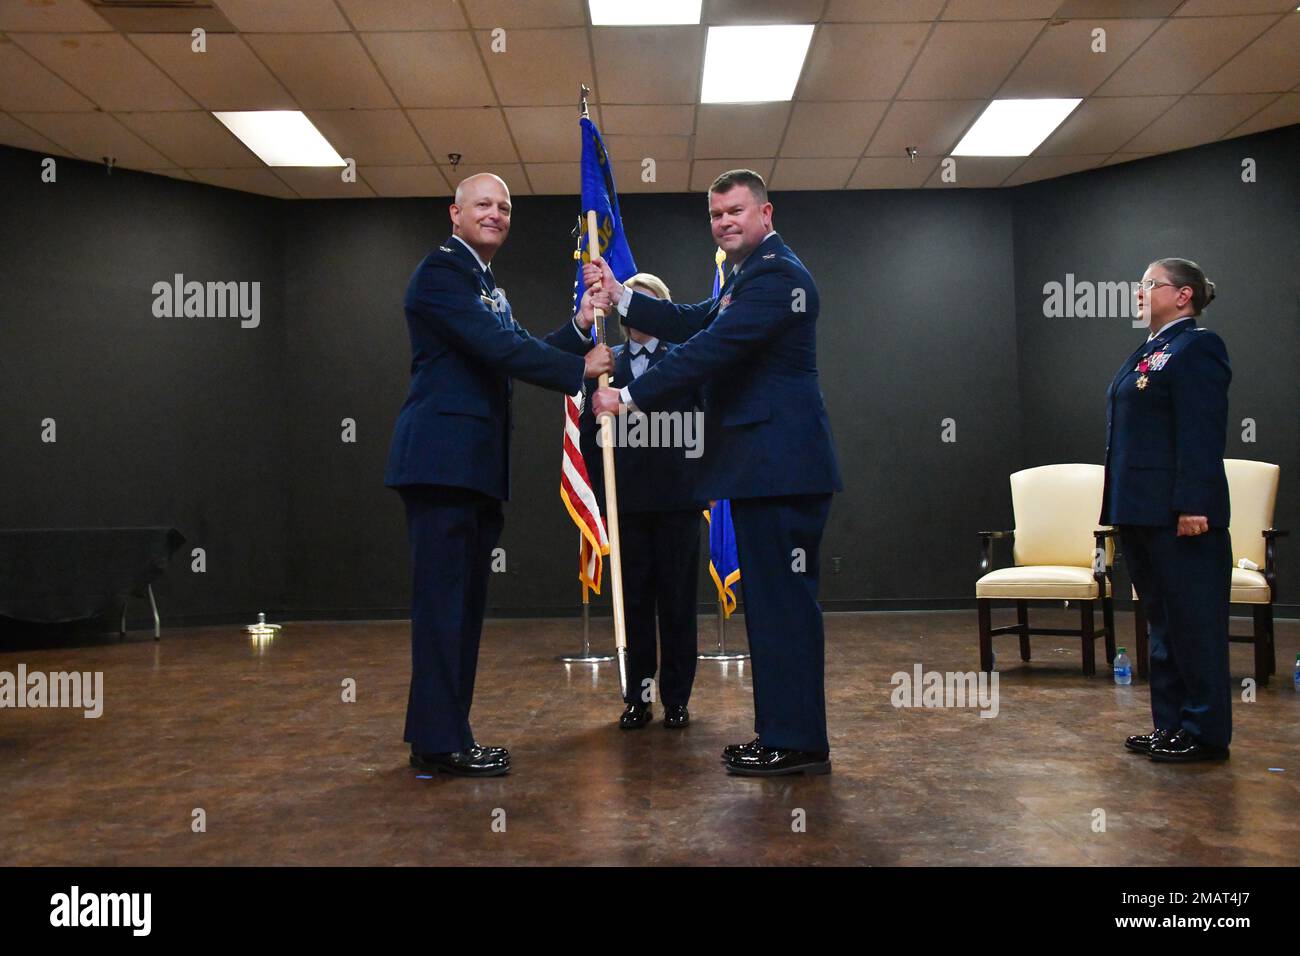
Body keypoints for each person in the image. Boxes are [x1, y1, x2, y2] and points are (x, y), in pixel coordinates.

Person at [587, 169, 842, 777]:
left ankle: (798, 742)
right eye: (716, 214)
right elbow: (696, 319)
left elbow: (710, 348)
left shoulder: (778, 276)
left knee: (783, 609)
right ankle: (782, 733)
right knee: (771, 609)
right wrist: (623, 296)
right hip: (763, 470)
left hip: (781, 468)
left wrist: (627, 399)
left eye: (735, 210)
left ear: (765, 213)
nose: (725, 222)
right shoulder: (746, 276)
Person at [384, 173, 613, 777]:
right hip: (443, 464)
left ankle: (440, 734)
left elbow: (511, 345)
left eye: (504, 206)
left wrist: (581, 326)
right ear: (454, 213)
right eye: (482, 204)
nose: (495, 214)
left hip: (471, 468)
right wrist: (580, 365)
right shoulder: (443, 273)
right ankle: (440, 744)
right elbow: (501, 349)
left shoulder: (482, 281)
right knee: (444, 608)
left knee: (458, 606)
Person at [1102, 257, 1232, 763]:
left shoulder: (1199, 346)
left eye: (1148, 284)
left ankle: (1205, 732)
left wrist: (1194, 503)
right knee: (1161, 623)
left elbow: (1201, 430)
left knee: (1194, 624)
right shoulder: (1148, 351)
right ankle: (1171, 725)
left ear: (1183, 295)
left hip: (1180, 514)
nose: (1139, 292)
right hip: (1140, 511)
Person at [578, 273, 705, 731]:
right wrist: (604, 493)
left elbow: (700, 430)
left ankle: (675, 698)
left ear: (662, 311)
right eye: (629, 307)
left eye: (646, 306)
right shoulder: (605, 366)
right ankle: (638, 697)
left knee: (677, 606)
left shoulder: (686, 360)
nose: (635, 318)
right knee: (632, 606)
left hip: (678, 504)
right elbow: (591, 437)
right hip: (627, 506)